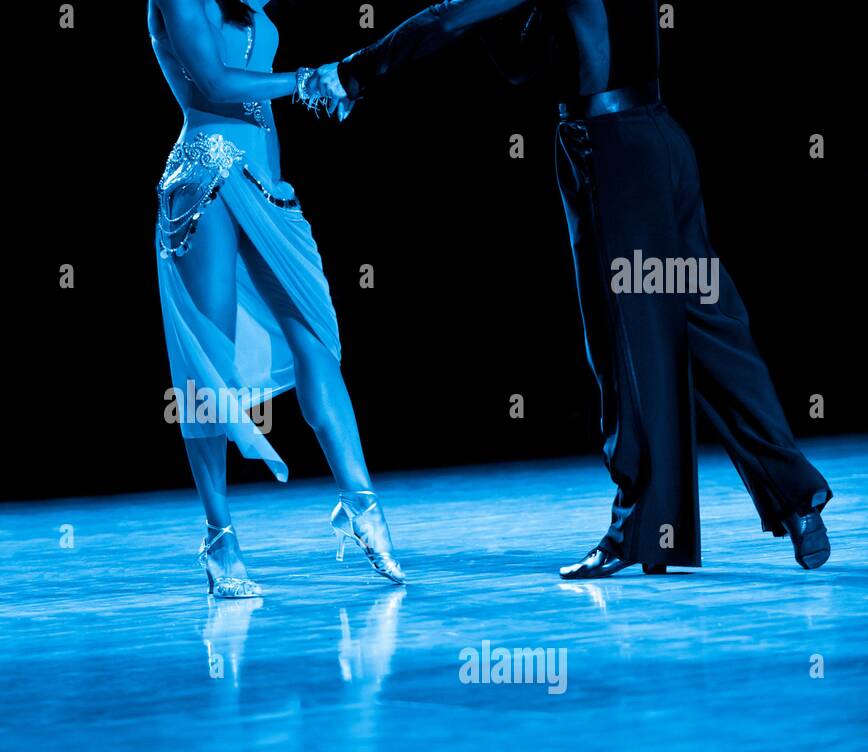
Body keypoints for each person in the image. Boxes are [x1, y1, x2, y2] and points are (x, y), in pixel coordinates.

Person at [311, 0, 832, 578]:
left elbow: (447, 19)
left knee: (622, 348)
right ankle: (796, 498)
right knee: (709, 328)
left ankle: (635, 532)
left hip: (607, 151)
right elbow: (527, 58)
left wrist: (352, 71)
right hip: (660, 141)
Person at [150, 0, 405, 597]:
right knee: (209, 365)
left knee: (318, 342)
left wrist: (328, 83)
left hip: (268, 184)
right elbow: (214, 81)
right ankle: (219, 538)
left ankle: (361, 502)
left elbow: (253, 76)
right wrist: (312, 78)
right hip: (205, 177)